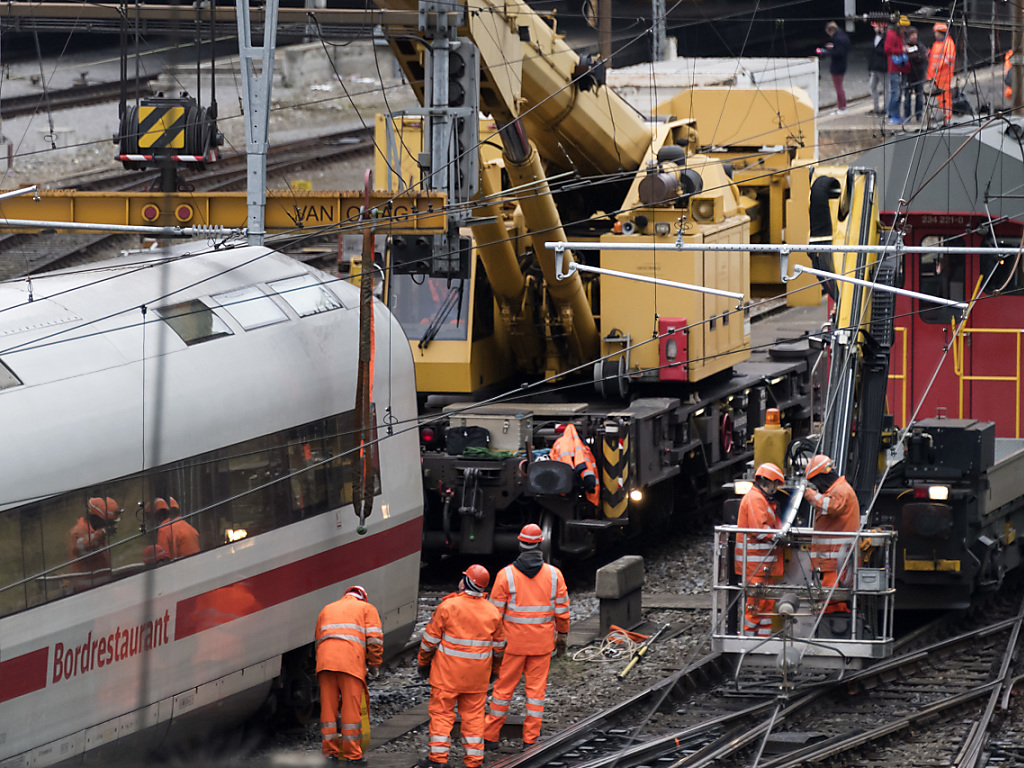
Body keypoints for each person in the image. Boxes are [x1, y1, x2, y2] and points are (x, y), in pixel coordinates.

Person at [483, 524, 570, 750]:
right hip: (541, 645)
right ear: (540, 544)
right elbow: (562, 611)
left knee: (502, 691)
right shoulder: (554, 575)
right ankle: (531, 739)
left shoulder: (505, 576)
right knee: (536, 693)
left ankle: (490, 736)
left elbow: (494, 615)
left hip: (512, 646)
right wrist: (562, 636)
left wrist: (493, 645)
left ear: (520, 545)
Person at [418, 565, 505, 767]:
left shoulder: (448, 607)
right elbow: (499, 648)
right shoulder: (492, 611)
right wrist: (494, 672)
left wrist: (423, 664)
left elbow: (429, 641)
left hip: (447, 676)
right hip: (477, 678)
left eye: (463, 577)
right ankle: (474, 761)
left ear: (467, 582)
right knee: (474, 718)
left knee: (441, 716)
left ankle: (438, 760)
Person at [315, 585, 383, 763]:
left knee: (328, 709)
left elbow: (318, 639)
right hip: (350, 664)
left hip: (325, 663)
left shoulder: (327, 608)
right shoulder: (367, 608)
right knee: (350, 709)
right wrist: (374, 665)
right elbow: (375, 640)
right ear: (363, 597)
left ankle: (329, 752)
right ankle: (352, 755)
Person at [803, 454, 860, 614]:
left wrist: (809, 494)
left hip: (838, 562)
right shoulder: (838, 489)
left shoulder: (840, 491)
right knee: (832, 602)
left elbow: (831, 507)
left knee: (832, 604)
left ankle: (831, 632)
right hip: (835, 563)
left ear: (822, 477)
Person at [734, 463, 784, 638]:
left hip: (761, 564)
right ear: (767, 482)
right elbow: (759, 529)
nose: (776, 488)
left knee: (765, 605)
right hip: (755, 564)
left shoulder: (760, 499)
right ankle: (748, 641)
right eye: (775, 484)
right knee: (755, 606)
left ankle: (762, 642)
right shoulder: (755, 499)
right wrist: (779, 536)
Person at [67, 496, 120, 592]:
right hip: (87, 590)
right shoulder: (78, 532)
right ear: (96, 518)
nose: (106, 525)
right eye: (105, 522)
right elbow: (81, 548)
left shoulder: (96, 532)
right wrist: (101, 533)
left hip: (104, 586)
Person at [549, 424, 598, 506]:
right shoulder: (581, 448)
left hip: (565, 481)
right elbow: (585, 466)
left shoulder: (559, 444)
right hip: (572, 480)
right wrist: (590, 486)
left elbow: (552, 455)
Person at [818, 21, 851, 113]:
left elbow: (838, 53)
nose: (830, 35)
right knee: (839, 86)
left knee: (838, 88)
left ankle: (842, 107)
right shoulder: (843, 36)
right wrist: (834, 47)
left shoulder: (837, 39)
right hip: (843, 64)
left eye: (829, 33)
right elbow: (842, 49)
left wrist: (827, 52)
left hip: (837, 66)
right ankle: (840, 106)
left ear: (831, 30)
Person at [927, 22, 957, 121]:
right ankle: (942, 115)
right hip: (936, 76)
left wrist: (938, 67)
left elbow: (949, 58)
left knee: (945, 96)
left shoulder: (949, 43)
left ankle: (947, 116)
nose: (935, 34)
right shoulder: (936, 44)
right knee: (939, 97)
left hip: (944, 75)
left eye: (936, 32)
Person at [885, 16, 911, 124]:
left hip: (902, 67)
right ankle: (892, 115)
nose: (905, 30)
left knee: (899, 94)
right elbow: (887, 49)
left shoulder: (900, 35)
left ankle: (897, 115)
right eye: (904, 27)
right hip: (895, 68)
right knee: (895, 94)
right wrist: (902, 50)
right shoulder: (891, 35)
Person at [904, 27, 928, 122]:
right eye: (912, 35)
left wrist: (912, 55)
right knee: (907, 98)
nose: (914, 37)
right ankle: (907, 116)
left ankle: (918, 115)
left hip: (919, 75)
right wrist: (914, 55)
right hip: (908, 76)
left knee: (919, 97)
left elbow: (921, 58)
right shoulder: (905, 46)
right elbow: (907, 58)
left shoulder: (920, 46)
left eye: (915, 35)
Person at [868, 21, 889, 115]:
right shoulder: (874, 39)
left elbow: (886, 51)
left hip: (882, 67)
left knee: (885, 88)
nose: (876, 29)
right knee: (872, 86)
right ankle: (876, 107)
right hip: (874, 67)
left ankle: (886, 107)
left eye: (877, 27)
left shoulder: (886, 38)